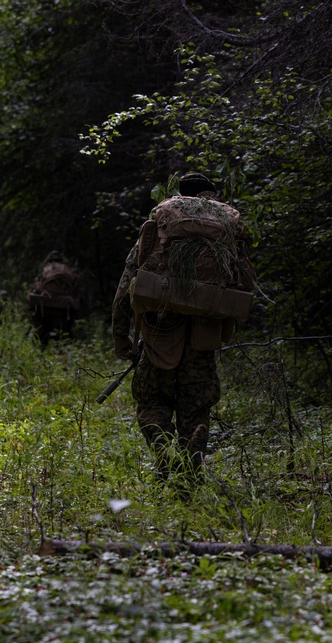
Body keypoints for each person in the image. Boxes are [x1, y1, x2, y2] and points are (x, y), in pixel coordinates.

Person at [111, 173, 255, 484]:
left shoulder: (164, 217)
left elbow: (127, 282)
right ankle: (191, 466)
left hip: (159, 330)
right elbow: (246, 281)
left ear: (181, 192)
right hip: (204, 334)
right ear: (210, 195)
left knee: (151, 401)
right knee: (196, 405)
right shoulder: (225, 222)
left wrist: (120, 336)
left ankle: (164, 451)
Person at [28, 251, 83, 346]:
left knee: (38, 329)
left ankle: (35, 347)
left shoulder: (46, 269)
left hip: (45, 306)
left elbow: (37, 289)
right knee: (66, 331)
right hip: (65, 308)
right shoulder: (68, 270)